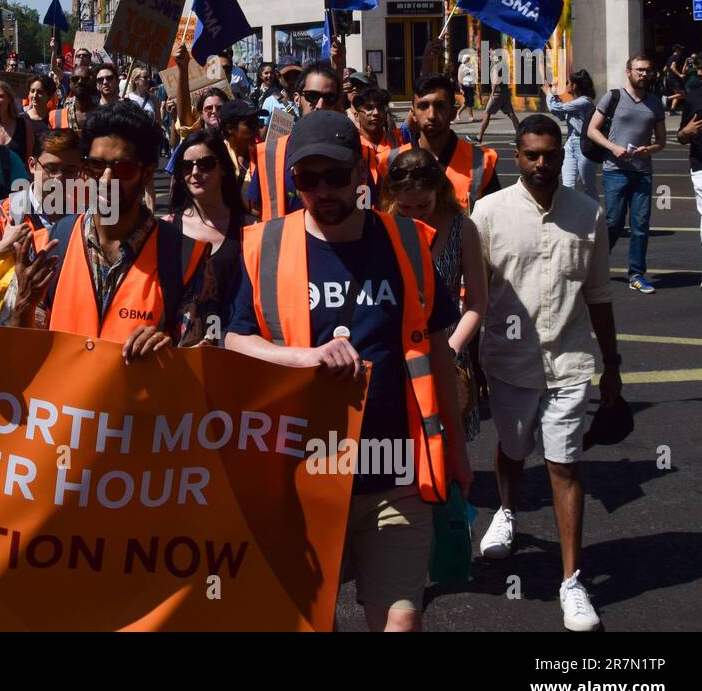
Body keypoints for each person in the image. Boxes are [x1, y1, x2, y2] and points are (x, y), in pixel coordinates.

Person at [226, 110, 469, 632]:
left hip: (397, 471)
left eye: (335, 177)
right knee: (311, 622)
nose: (322, 191)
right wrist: (304, 357)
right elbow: (234, 342)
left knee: (401, 625)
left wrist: (457, 452)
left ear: (362, 174)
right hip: (303, 476)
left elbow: (438, 355)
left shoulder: (406, 242)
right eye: (306, 180)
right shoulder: (266, 246)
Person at [472, 114, 623, 632]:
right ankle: (508, 510)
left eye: (550, 154)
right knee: (513, 451)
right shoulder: (488, 212)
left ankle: (571, 581)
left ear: (562, 155)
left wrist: (613, 368)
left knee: (565, 465)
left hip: (570, 361)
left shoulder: (589, 213)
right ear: (517, 156)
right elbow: (474, 295)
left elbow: (599, 294)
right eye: (532, 154)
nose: (541, 163)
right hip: (509, 362)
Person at [10, 102, 212, 360]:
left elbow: (199, 363)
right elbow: (18, 358)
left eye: (123, 169)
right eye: (96, 165)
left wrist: (168, 356)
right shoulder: (49, 247)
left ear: (147, 173)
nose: (105, 179)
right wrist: (22, 307)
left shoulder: (186, 260)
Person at [383, 148, 488, 441]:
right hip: (400, 351)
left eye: (423, 206)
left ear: (439, 192)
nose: (414, 215)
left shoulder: (462, 227)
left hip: (450, 348)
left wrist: (451, 350)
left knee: (449, 445)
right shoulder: (384, 227)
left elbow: (477, 302)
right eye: (406, 207)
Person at [0, 128, 83, 295]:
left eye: (70, 171)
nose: (60, 179)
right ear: (32, 165)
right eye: (51, 168)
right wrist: (1, 250)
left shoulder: (86, 218)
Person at [585, 55, 667, 294]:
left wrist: (648, 149)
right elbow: (592, 130)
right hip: (615, 171)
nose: (644, 74)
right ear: (628, 71)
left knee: (641, 225)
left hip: (642, 172)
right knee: (613, 222)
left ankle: (637, 274)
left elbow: (661, 142)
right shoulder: (613, 97)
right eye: (639, 70)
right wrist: (613, 148)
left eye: (648, 70)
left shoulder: (655, 103)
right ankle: (595, 267)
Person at [165, 129, 255, 328]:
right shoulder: (166, 227)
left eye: (205, 164)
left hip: (235, 345)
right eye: (187, 166)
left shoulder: (251, 227)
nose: (195, 172)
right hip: (181, 350)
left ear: (223, 167)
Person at [378, 73, 500, 213]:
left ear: (453, 112)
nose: (431, 115)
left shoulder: (482, 161)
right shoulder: (389, 162)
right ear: (413, 114)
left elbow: (492, 223)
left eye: (439, 105)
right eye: (423, 106)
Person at [250, 59, 351, 221]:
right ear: (297, 99)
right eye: (312, 96)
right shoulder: (270, 154)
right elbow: (257, 210)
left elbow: (365, 204)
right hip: (286, 245)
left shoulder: (353, 153)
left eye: (329, 98)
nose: (320, 105)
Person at [677, 48, 702, 294]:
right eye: (697, 69)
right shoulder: (693, 97)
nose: (699, 74)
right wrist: (686, 133)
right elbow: (681, 136)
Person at [543, 70, 600, 202]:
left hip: (585, 145)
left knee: (588, 185)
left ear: (575, 86)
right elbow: (561, 115)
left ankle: (595, 216)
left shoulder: (584, 102)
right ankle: (569, 215)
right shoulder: (575, 102)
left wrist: (549, 94)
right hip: (570, 144)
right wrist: (555, 98)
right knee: (567, 185)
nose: (566, 85)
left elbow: (555, 109)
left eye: (568, 82)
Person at [217, 99, 261, 203]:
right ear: (229, 128)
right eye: (250, 123)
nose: (257, 128)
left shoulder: (262, 152)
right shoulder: (218, 158)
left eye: (257, 122)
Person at [0, 79, 36, 164]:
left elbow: (31, 161)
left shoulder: (24, 125)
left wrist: (35, 177)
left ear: (9, 98)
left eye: (0, 96)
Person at [476, 70, 520, 146]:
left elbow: (496, 80)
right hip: (505, 92)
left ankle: (479, 136)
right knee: (511, 114)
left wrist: (492, 92)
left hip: (497, 94)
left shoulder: (495, 66)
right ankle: (520, 136)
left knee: (487, 113)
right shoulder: (503, 65)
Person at [23, 75, 57, 145]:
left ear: (50, 95)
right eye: (32, 91)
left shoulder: (55, 120)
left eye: (40, 92)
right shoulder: (21, 120)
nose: (35, 95)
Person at [456, 52, 478, 123]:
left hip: (471, 85)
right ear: (464, 59)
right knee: (470, 100)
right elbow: (459, 78)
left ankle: (458, 113)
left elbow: (473, 75)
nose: (468, 60)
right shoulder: (461, 66)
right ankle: (471, 116)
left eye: (469, 59)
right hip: (465, 86)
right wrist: (461, 88)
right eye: (467, 59)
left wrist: (475, 83)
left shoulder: (471, 66)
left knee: (467, 102)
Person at [665, 43, 687, 114]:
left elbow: (665, 69)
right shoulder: (677, 57)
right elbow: (672, 67)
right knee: (683, 95)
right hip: (674, 79)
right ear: (677, 50)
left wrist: (668, 76)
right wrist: (680, 75)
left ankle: (672, 110)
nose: (681, 51)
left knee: (677, 94)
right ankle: (666, 98)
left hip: (670, 78)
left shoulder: (670, 58)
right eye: (680, 49)